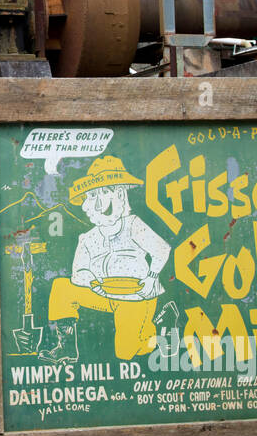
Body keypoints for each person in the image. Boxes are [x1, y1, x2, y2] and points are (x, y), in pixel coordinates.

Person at [41, 155, 172, 362]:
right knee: (61, 287)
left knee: (126, 353)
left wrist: (151, 277)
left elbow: (162, 250)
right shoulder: (87, 238)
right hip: (103, 292)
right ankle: (66, 346)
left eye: (106, 192)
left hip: (138, 294)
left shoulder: (133, 225)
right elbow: (78, 273)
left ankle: (159, 330)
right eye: (93, 195)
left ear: (120, 195)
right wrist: (93, 283)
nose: (99, 202)